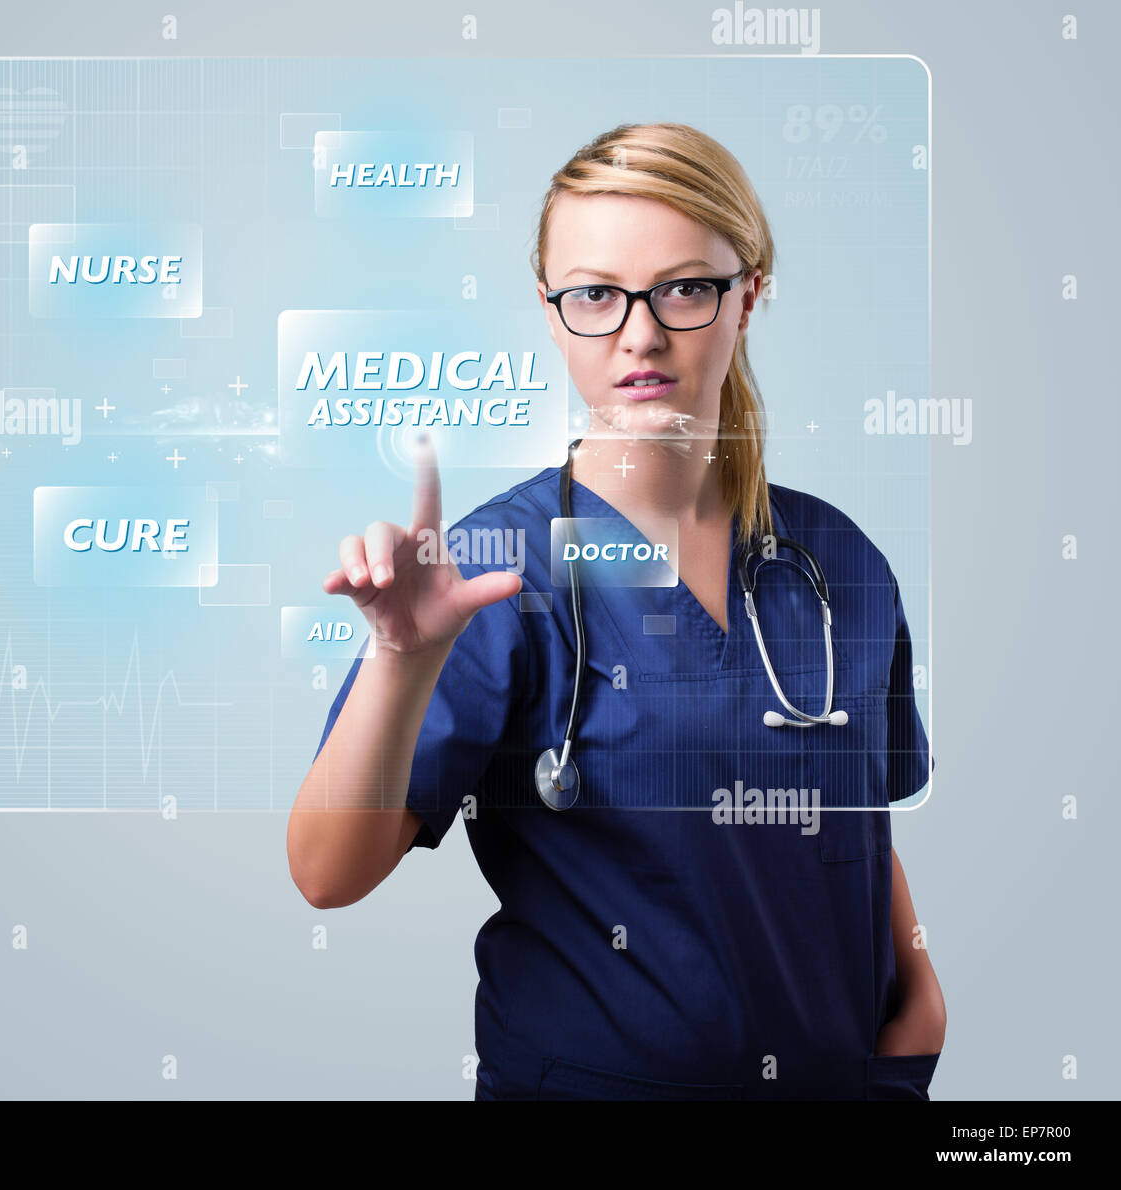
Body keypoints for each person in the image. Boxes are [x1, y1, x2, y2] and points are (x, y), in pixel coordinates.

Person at [288, 122, 946, 1101]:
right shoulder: (491, 572)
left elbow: (852, 832)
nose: (639, 334)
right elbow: (325, 870)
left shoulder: (837, 560)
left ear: (747, 295)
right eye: (595, 294)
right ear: (552, 315)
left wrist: (913, 1013)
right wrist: (398, 655)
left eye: (683, 287)